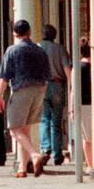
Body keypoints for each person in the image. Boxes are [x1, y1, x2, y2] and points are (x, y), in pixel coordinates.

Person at [0, 20, 51, 178]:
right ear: (30, 32)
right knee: (24, 130)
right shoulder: (40, 51)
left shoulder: (12, 50)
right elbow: (47, 76)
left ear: (14, 33)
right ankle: (22, 169)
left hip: (21, 91)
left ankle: (34, 155)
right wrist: (42, 93)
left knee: (14, 129)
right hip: (39, 91)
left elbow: (4, 76)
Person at [38, 25, 72, 168]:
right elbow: (67, 69)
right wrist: (71, 87)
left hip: (41, 85)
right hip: (57, 85)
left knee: (44, 118)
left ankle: (45, 148)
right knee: (56, 121)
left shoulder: (37, 48)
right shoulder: (60, 49)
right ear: (55, 35)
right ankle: (57, 154)